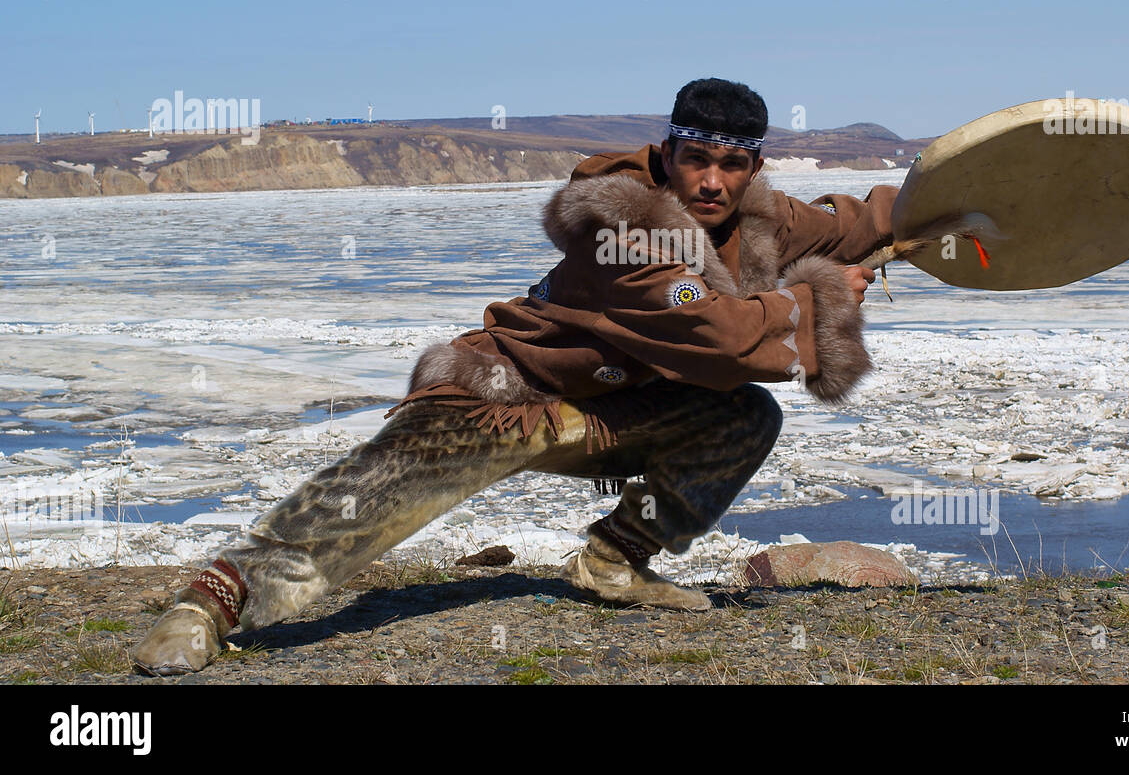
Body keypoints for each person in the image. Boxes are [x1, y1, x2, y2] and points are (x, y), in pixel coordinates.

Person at [130, 77, 898, 675]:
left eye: (733, 165)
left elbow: (850, 222)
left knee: (744, 417)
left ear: (753, 169)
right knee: (375, 487)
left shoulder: (755, 218)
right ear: (667, 156)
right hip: (505, 393)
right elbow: (719, 332)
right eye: (697, 159)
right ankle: (212, 602)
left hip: (610, 410)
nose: (712, 182)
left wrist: (946, 205)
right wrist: (807, 302)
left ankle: (612, 562)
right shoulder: (623, 227)